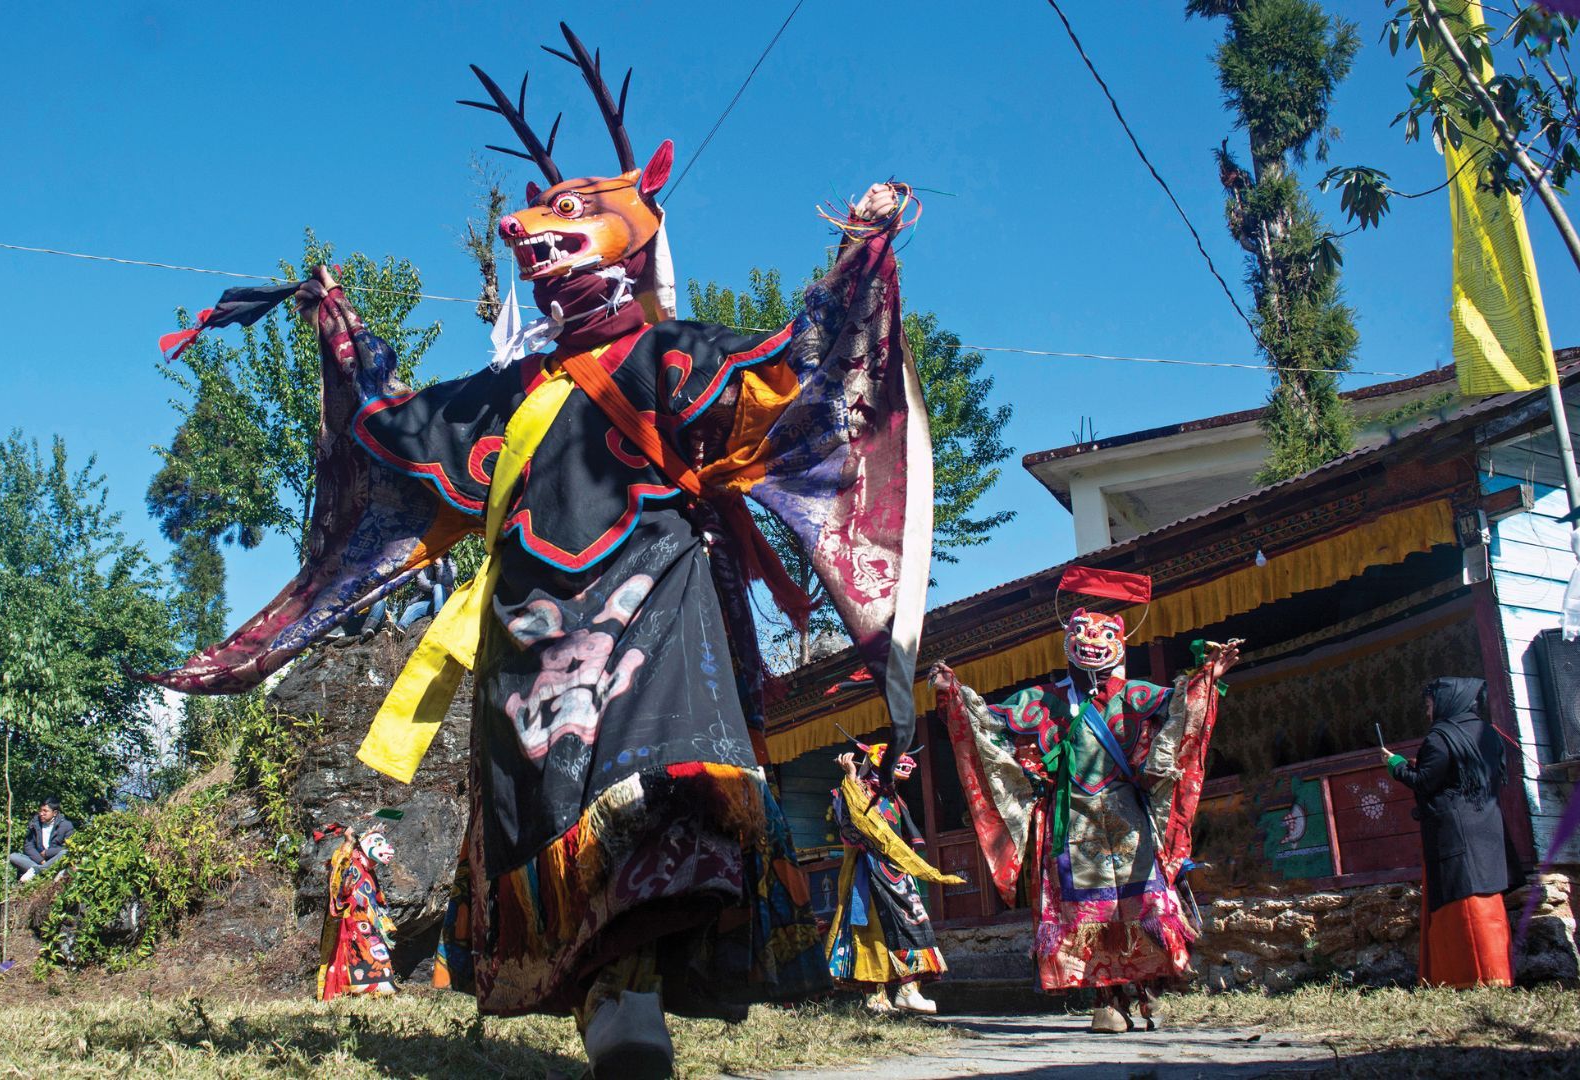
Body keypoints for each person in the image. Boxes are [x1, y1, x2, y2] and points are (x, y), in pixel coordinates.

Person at [146, 25, 933, 1078]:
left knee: (659, 784)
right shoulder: (511, 391)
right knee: (555, 810)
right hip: (525, 632)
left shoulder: (671, 354)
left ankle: (637, 988)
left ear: (626, 234)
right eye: (535, 222)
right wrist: (339, 333)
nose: (533, 233)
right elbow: (391, 438)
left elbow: (801, 371)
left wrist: (861, 256)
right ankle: (608, 994)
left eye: (568, 218)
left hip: (657, 599)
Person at [932, 567, 1240, 1034]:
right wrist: (953, 693)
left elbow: (1181, 711)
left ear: (1117, 645)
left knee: (1145, 906)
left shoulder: (1134, 696)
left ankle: (1148, 991)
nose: (1092, 646)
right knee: (1087, 916)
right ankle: (1107, 999)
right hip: (1071, 823)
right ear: (1069, 644)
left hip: (1127, 819)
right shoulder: (1045, 699)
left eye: (1103, 639)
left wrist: (1207, 677)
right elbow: (989, 723)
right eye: (1082, 636)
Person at [1382, 676, 1514, 987]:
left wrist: (1397, 765)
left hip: (1454, 833)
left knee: (1462, 904)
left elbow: (1426, 781)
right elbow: (1460, 773)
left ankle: (1468, 975)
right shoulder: (1488, 733)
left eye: (1430, 706)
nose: (1428, 713)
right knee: (1487, 897)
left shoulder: (1439, 737)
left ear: (1445, 704)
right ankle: (1499, 973)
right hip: (1487, 827)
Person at [826, 745, 962, 1014]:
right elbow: (850, 826)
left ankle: (908, 990)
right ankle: (875, 998)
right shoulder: (851, 791)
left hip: (897, 874)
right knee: (869, 932)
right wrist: (851, 776)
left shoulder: (894, 799)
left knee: (912, 923)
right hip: (868, 875)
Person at [318, 827, 401, 1000]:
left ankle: (378, 986)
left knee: (375, 950)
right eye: (379, 843)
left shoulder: (369, 872)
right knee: (359, 950)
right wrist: (348, 842)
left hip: (369, 922)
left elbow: (377, 898)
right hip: (351, 921)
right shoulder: (350, 862)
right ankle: (356, 987)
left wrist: (383, 919)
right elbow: (337, 876)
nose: (385, 847)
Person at [7, 799, 72, 882]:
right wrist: (41, 861)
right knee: (13, 857)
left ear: (54, 813)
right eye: (40, 810)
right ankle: (42, 871)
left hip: (54, 860)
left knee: (65, 852)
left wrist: (47, 853)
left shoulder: (66, 825)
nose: (41, 814)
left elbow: (68, 847)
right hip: (37, 861)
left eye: (45, 811)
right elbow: (28, 846)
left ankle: (37, 871)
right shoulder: (34, 823)